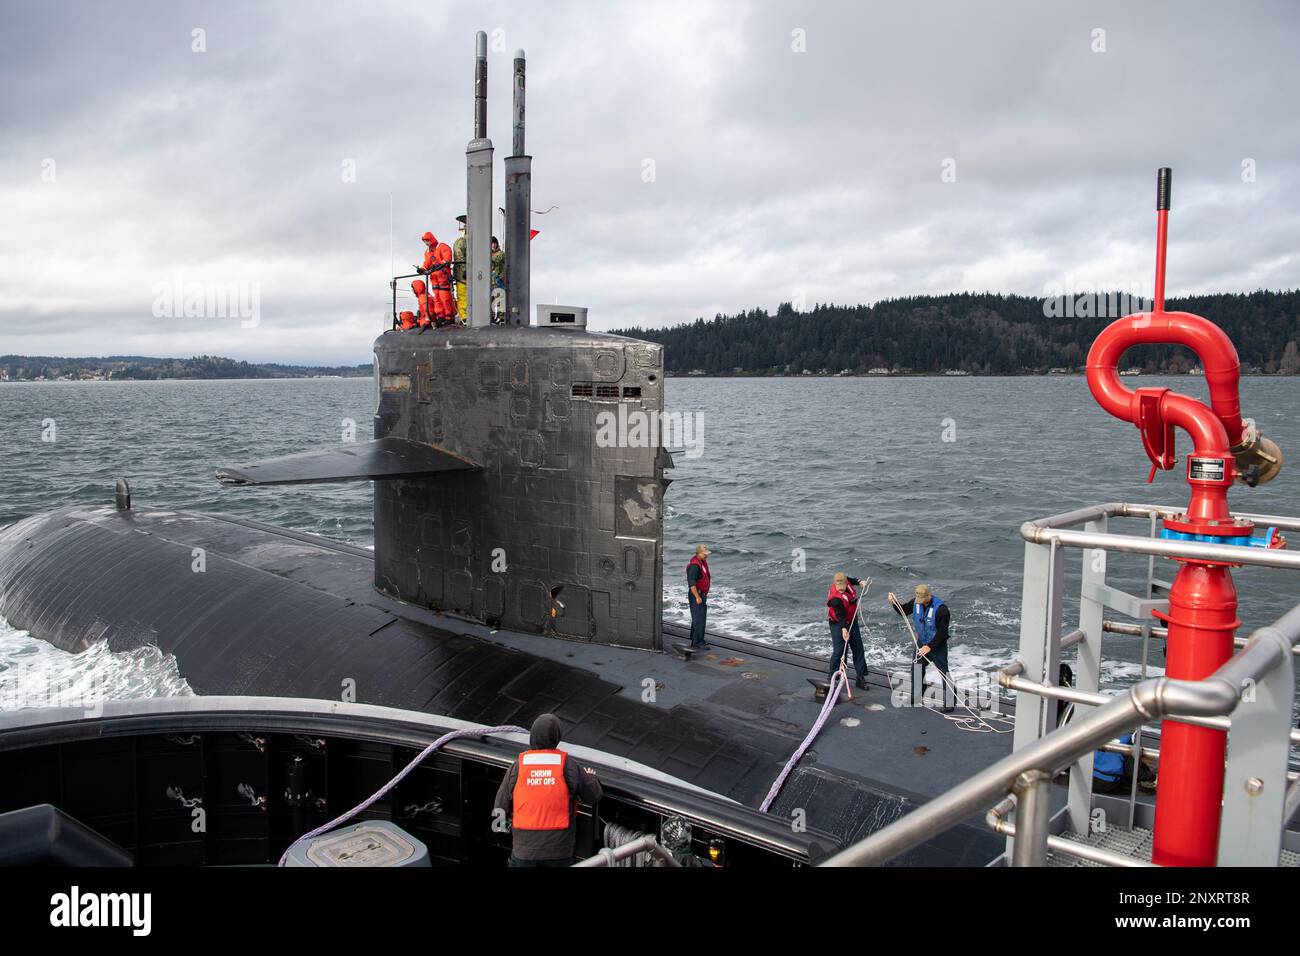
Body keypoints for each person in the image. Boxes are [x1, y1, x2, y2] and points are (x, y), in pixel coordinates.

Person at [493, 713, 602, 867]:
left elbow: (499, 807)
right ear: (557, 738)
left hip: (524, 854)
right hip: (559, 855)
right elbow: (594, 795)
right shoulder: (568, 765)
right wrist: (591, 777)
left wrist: (507, 829)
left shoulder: (517, 767)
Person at [888, 584, 955, 712]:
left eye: (923, 599)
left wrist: (929, 647)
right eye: (918, 599)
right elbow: (903, 611)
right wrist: (894, 602)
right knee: (916, 668)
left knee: (943, 672)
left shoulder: (941, 610)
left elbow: (942, 633)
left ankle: (950, 701)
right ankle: (917, 695)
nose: (920, 602)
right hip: (921, 642)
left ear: (929, 595)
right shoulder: (916, 602)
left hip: (936, 644)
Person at [827, 572, 870, 690]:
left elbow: (851, 579)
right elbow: (840, 615)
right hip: (838, 624)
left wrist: (860, 582)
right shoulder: (835, 599)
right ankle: (833, 678)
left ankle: (860, 678)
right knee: (839, 651)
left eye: (843, 587)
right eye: (838, 587)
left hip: (852, 621)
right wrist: (844, 629)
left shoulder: (846, 581)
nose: (841, 590)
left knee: (858, 648)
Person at [1093, 733, 1158, 794]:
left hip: (1093, 779)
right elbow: (1134, 773)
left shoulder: (1100, 732)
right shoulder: (1128, 741)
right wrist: (1154, 777)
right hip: (1111, 784)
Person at [418, 231, 456, 323]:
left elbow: (447, 258)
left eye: (427, 241)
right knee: (437, 298)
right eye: (425, 242)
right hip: (434, 278)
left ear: (431, 239)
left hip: (443, 277)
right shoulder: (427, 252)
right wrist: (422, 269)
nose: (426, 243)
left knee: (445, 297)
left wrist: (439, 265)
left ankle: (449, 317)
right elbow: (426, 263)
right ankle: (441, 316)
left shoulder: (442, 247)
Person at [686, 545, 711, 649]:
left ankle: (695, 638)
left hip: (701, 594)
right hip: (696, 594)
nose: (706, 556)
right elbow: (691, 583)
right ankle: (698, 642)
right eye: (704, 554)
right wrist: (697, 597)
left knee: (699, 616)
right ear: (698, 553)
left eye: (707, 554)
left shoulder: (702, 562)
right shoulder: (694, 566)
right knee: (699, 618)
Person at [452, 215, 468, 323]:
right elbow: (459, 256)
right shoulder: (461, 242)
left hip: (475, 274)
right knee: (462, 295)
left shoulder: (479, 241)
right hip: (463, 275)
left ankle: (466, 316)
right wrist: (464, 270)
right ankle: (465, 317)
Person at [490, 236, 507, 323]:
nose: (493, 245)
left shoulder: (500, 254)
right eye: (491, 243)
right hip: (489, 282)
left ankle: (501, 317)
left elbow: (494, 259)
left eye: (494, 243)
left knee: (500, 300)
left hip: (498, 281)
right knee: (490, 301)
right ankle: (491, 317)